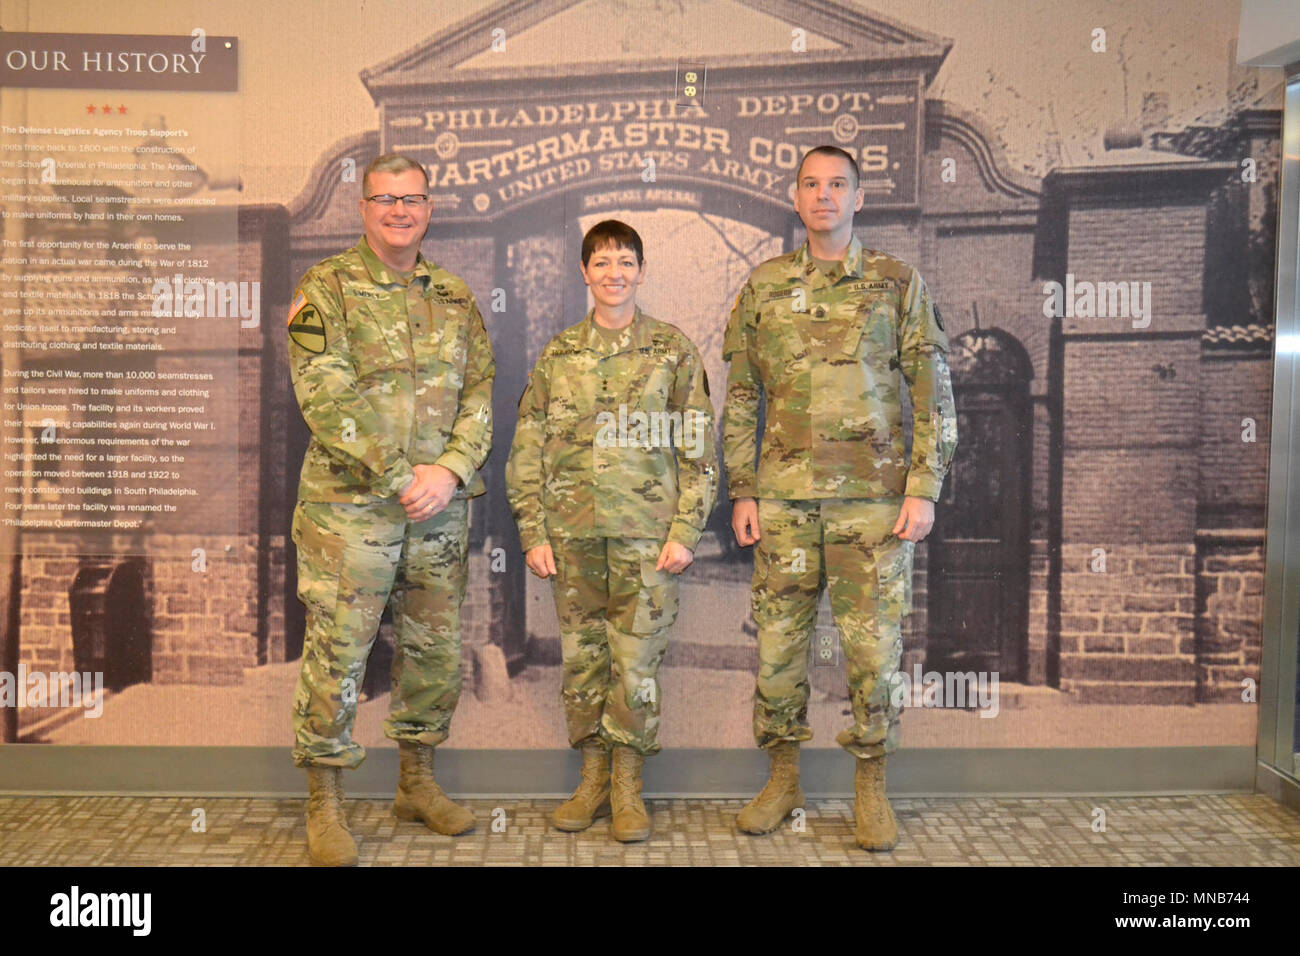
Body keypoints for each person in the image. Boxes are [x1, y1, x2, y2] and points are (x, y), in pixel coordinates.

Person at [722, 145, 957, 850]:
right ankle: (783, 777)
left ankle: (871, 787)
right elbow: (741, 398)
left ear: (859, 198)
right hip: (786, 504)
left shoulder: (895, 283)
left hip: (874, 507)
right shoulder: (763, 288)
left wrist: (924, 486)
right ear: (796, 199)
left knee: (873, 652)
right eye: (811, 185)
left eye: (838, 185)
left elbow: (933, 393)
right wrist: (741, 489)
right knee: (778, 650)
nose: (824, 196)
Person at [286, 153, 494, 866]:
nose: (400, 210)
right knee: (339, 655)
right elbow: (325, 396)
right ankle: (325, 801)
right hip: (351, 514)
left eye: (413, 199)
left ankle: (416, 783)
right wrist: (405, 474)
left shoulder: (457, 298)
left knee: (433, 655)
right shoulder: (326, 290)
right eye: (385, 199)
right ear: (363, 208)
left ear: (429, 208)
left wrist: (450, 471)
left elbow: (481, 398)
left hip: (438, 511)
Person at [506, 219, 717, 842]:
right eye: (601, 263)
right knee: (583, 663)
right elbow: (527, 446)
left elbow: (698, 446)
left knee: (636, 665)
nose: (614, 273)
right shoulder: (559, 353)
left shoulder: (673, 351)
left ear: (642, 271)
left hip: (647, 541)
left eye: (626, 261)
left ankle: (627, 786)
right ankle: (592, 778)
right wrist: (532, 529)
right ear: (584, 272)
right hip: (573, 539)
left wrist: (686, 529)